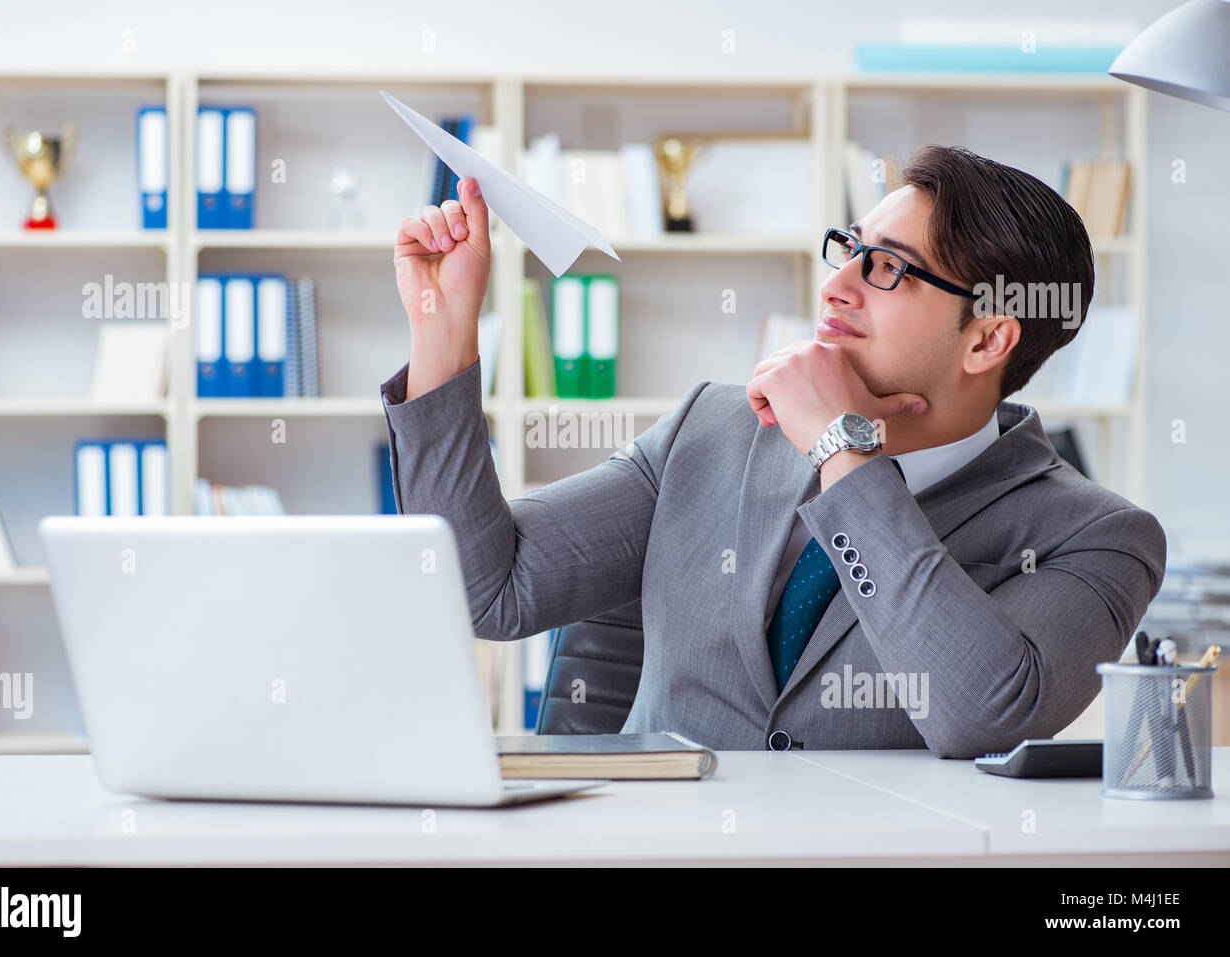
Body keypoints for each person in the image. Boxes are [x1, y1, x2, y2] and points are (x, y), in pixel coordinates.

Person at [379, 145, 1165, 758]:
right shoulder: (712, 428)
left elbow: (976, 713)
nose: (836, 286)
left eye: (887, 267)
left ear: (989, 336)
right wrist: (443, 337)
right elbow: (488, 587)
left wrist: (842, 447)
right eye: (850, 248)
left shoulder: (1098, 536)